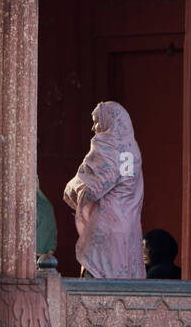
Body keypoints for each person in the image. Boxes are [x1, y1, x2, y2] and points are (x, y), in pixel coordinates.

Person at [62, 101, 145, 279]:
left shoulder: (108, 149)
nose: (93, 128)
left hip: (106, 228)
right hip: (128, 229)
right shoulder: (132, 150)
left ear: (110, 121)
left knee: (96, 287)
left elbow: (95, 187)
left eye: (96, 121)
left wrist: (75, 187)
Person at [36, 174, 57, 257]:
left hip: (41, 258)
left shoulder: (46, 207)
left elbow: (52, 232)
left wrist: (49, 253)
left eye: (35, 182)